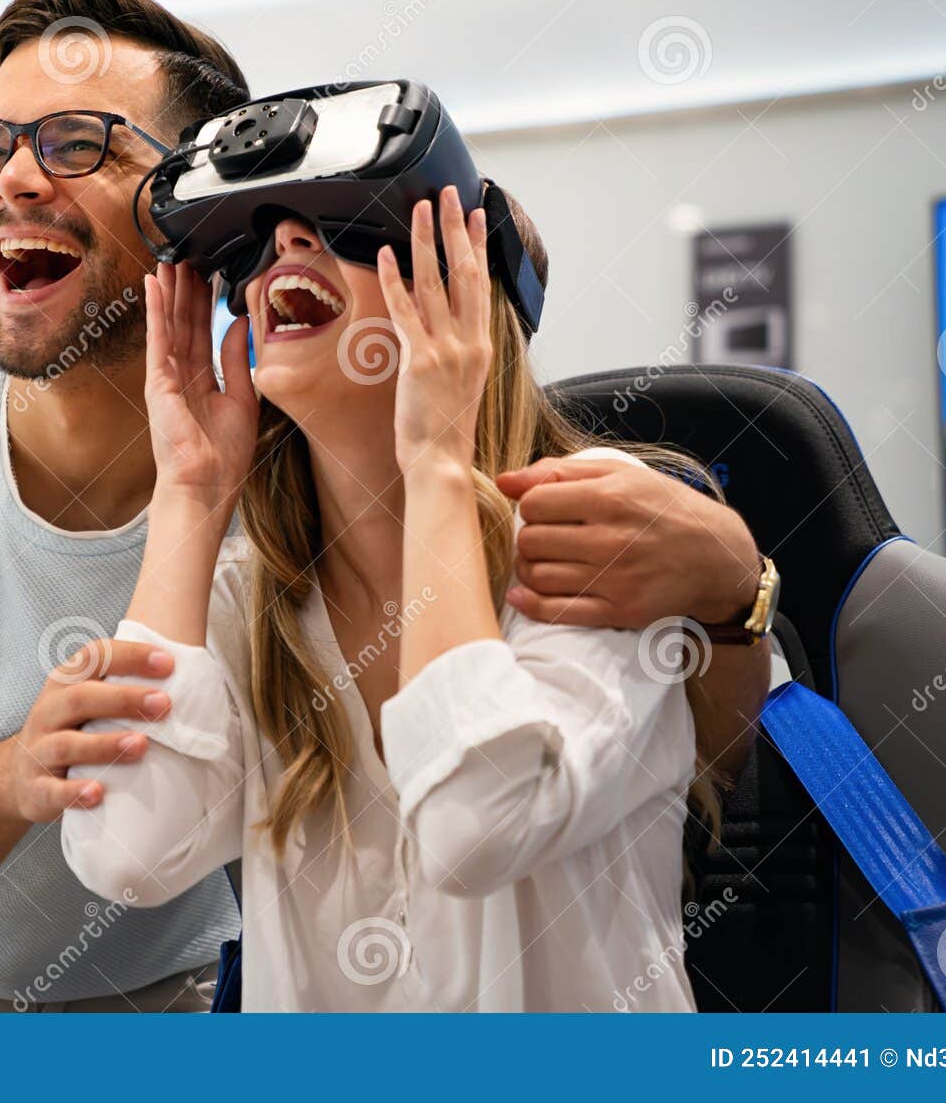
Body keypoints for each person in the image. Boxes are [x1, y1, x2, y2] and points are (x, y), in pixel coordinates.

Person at [0, 0, 770, 1013]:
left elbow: (510, 813)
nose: (14, 178)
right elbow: (124, 847)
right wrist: (193, 494)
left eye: (74, 142)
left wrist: (733, 580)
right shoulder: (249, 571)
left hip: (172, 990)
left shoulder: (579, 522)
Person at [62, 185, 714, 1010]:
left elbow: (476, 826)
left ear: (467, 306)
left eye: (346, 222)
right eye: (261, 240)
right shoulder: (248, 601)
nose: (286, 240)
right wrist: (189, 493)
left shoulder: (601, 524)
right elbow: (124, 852)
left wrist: (438, 459)